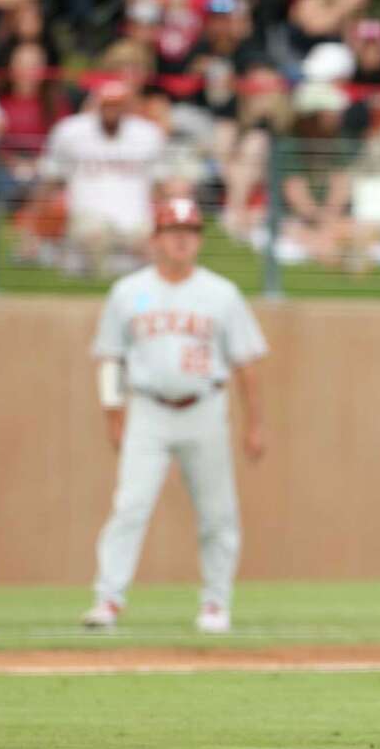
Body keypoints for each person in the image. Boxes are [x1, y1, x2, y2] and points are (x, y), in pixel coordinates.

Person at [81, 197, 268, 633]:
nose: (181, 240)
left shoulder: (221, 294)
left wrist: (255, 424)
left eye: (189, 232)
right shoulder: (129, 291)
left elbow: (246, 364)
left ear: (199, 240)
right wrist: (113, 414)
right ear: (156, 239)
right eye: (172, 231)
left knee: (217, 511)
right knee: (130, 505)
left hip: (205, 407)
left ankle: (216, 603)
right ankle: (108, 598)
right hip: (148, 408)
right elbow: (110, 358)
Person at [40, 81, 166, 275]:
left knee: (149, 245)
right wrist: (34, 226)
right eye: (108, 105)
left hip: (135, 220)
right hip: (88, 217)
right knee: (94, 237)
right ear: (97, 105)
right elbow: (50, 178)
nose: (112, 111)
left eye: (118, 105)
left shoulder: (147, 134)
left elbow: (160, 185)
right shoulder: (71, 131)